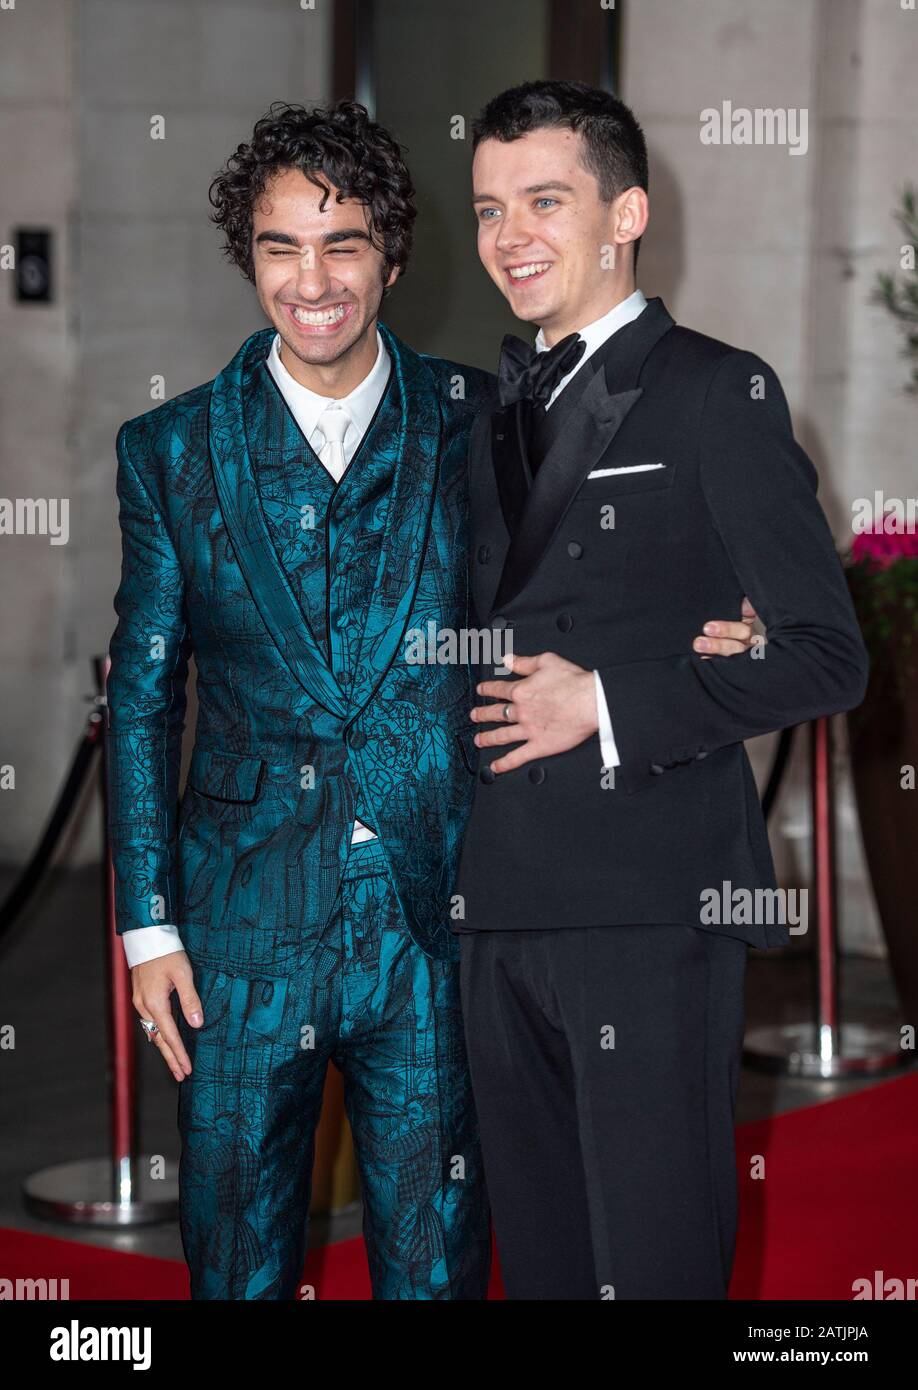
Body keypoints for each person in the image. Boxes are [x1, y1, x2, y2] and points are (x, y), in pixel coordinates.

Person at [105, 96, 758, 1302]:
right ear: (247, 258)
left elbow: (591, 568)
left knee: (437, 1259)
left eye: (344, 242)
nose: (313, 281)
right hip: (240, 925)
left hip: (438, 907)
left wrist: (731, 613)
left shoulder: (481, 418)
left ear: (393, 257)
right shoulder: (170, 449)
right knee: (234, 1258)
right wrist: (148, 925)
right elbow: (143, 697)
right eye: (280, 247)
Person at [454, 80, 869, 1300]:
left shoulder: (716, 391)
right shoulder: (481, 412)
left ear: (626, 211)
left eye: (544, 200)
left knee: (655, 1258)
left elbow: (824, 652)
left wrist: (611, 701)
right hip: (495, 893)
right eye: (488, 209)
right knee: (537, 1260)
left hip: (649, 902)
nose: (510, 235)